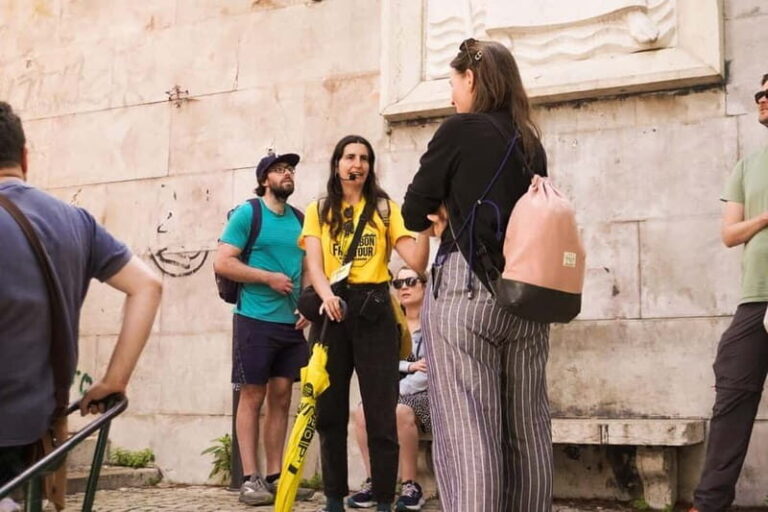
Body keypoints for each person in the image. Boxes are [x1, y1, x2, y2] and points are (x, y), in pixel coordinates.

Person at [401, 38, 551, 512]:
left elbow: (411, 211)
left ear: (471, 79)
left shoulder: (459, 130)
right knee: (527, 426)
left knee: (468, 428)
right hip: (527, 295)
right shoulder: (531, 140)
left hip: (466, 289)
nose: (450, 95)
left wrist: (443, 210)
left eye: (452, 83)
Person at [0, 102, 163, 494]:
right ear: (24, 156)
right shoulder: (78, 221)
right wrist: (114, 380)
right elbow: (148, 286)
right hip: (35, 433)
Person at [299, 135, 430, 512]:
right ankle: (334, 498)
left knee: (381, 414)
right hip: (333, 313)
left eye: (364, 158)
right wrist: (325, 297)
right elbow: (314, 264)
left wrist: (424, 222)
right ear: (337, 164)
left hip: (374, 312)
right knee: (330, 412)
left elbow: (416, 262)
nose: (356, 164)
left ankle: (386, 500)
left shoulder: (387, 210)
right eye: (349, 157)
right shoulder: (319, 209)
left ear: (370, 167)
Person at [213, 150, 312, 506]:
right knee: (252, 395)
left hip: (290, 322)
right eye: (280, 169)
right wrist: (267, 278)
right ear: (263, 179)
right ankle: (250, 479)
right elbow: (223, 262)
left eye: (290, 170)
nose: (288, 174)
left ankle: (275, 476)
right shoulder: (248, 214)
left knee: (283, 395)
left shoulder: (300, 220)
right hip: (254, 319)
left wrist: (311, 308)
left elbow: (311, 267)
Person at [688, 74, 768, 512]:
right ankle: (709, 503)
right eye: (759, 91)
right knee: (732, 394)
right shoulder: (747, 165)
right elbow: (729, 233)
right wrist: (764, 218)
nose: (762, 97)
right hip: (755, 299)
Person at [349, 266, 430, 512]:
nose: (404, 287)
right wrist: (408, 365)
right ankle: (376, 482)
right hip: (391, 393)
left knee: (399, 411)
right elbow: (379, 362)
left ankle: (410, 485)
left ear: (425, 286)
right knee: (361, 412)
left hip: (427, 398)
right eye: (398, 283)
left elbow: (429, 372)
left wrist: (397, 381)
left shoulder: (433, 324)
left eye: (411, 281)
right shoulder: (391, 324)